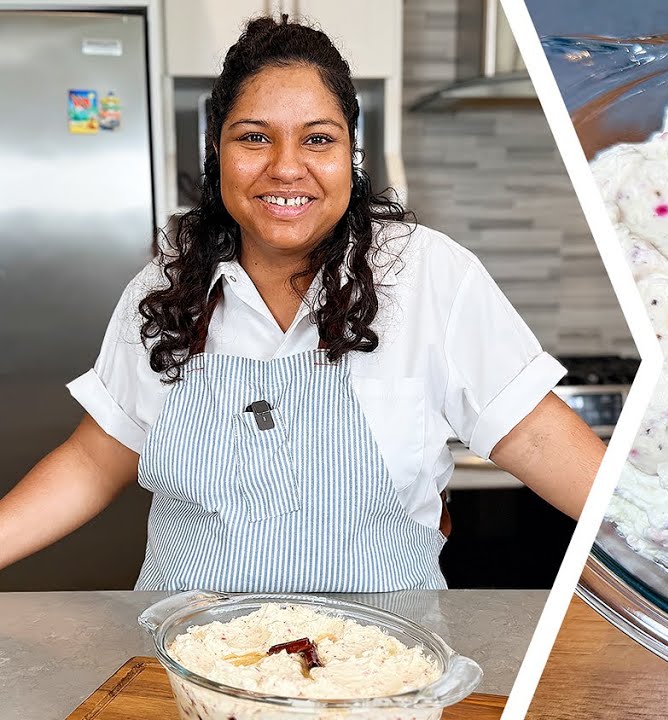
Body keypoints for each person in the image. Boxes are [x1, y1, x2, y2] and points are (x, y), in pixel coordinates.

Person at [0, 16, 605, 591]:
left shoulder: (428, 274)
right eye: (254, 137)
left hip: (381, 662)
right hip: (191, 657)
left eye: (317, 139)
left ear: (350, 152)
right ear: (217, 150)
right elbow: (93, 459)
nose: (286, 168)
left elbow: (536, 439)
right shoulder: (168, 285)